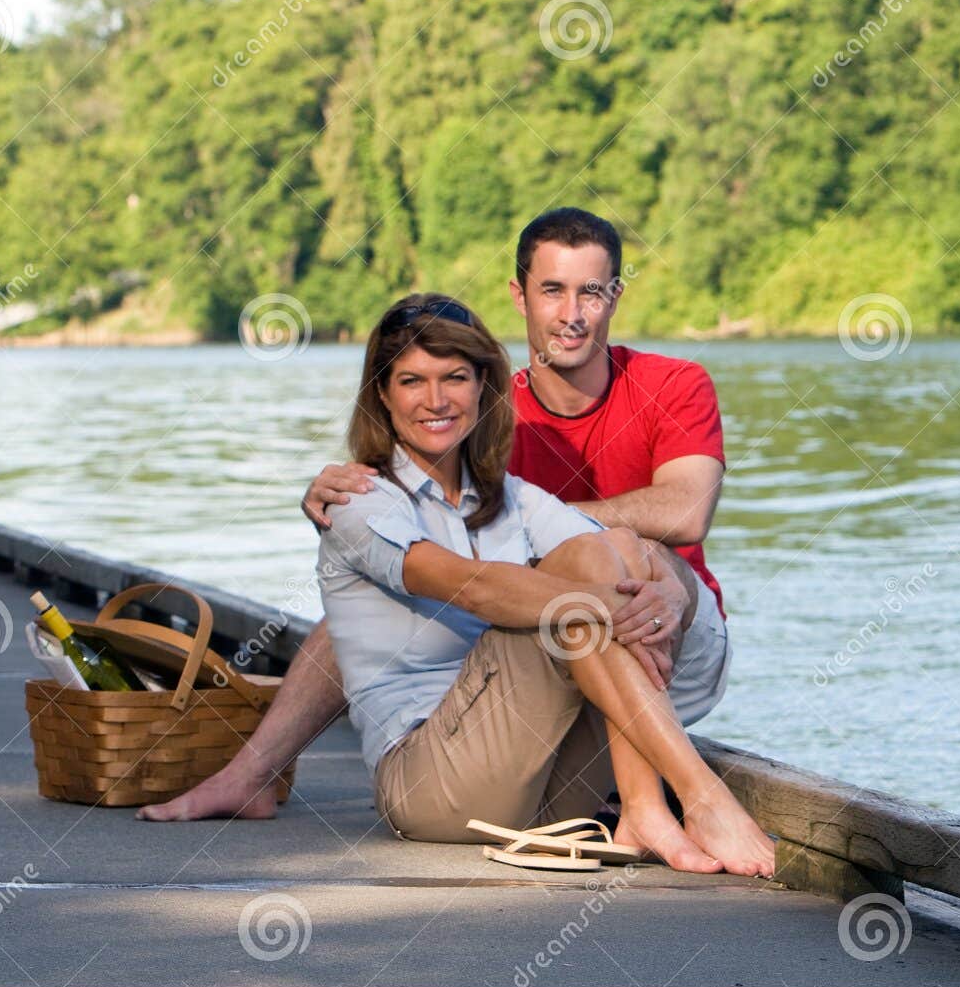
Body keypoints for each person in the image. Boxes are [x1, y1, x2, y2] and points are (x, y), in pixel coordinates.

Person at [141, 210, 750, 872]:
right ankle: (663, 805)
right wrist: (366, 504)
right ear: (520, 295)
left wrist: (526, 536)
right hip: (564, 661)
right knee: (442, 591)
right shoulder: (480, 422)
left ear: (615, 296)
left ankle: (655, 803)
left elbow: (686, 513)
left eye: (591, 291)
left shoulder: (667, 385)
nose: (572, 312)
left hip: (671, 628)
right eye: (553, 290)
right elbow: (464, 578)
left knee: (618, 553)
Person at [265, 292, 771, 874]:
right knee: (576, 603)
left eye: (455, 377)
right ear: (381, 393)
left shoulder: (512, 498)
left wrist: (667, 591)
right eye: (411, 381)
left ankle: (641, 807)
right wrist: (613, 605)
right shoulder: (359, 501)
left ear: (483, 385)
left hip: (543, 792)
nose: (435, 400)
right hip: (429, 786)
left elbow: (622, 551)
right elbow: (469, 586)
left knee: (615, 550)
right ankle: (700, 800)